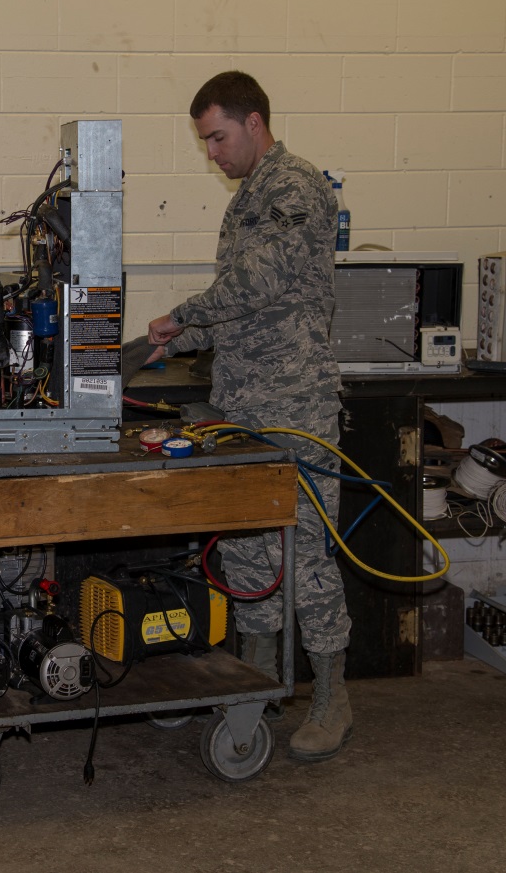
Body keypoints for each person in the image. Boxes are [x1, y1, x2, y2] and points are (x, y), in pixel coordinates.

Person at [146, 71, 352, 762]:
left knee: (305, 555)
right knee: (243, 547)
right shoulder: (245, 202)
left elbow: (260, 279)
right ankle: (256, 685)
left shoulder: (293, 186)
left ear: (254, 122)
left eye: (217, 136)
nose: (211, 152)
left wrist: (186, 313)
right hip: (240, 404)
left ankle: (331, 696)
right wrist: (179, 337)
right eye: (205, 140)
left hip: (294, 404)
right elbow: (245, 309)